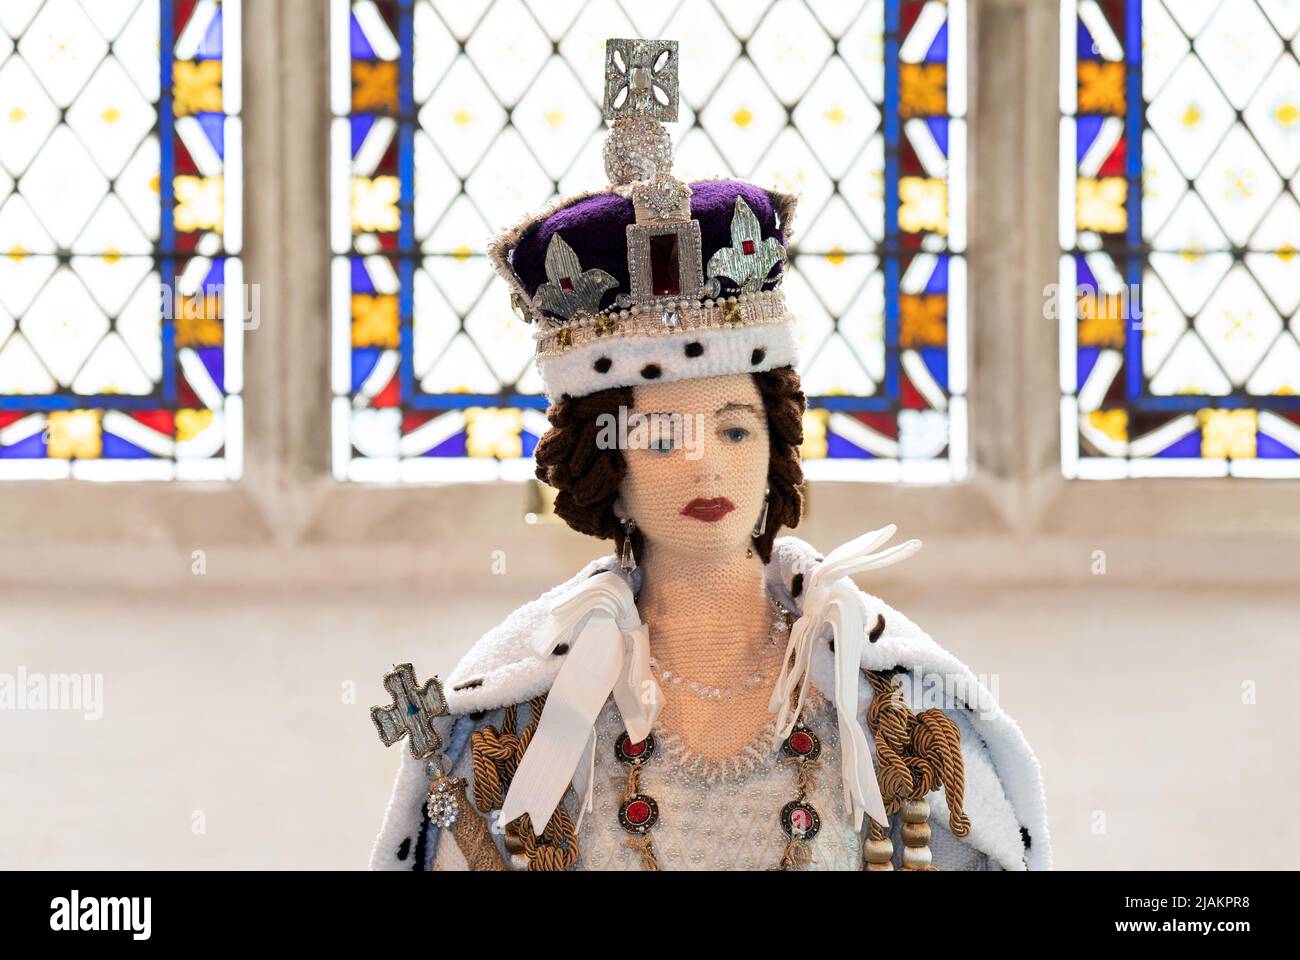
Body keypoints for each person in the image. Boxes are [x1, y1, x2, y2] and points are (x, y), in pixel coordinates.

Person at [370, 37, 1049, 872]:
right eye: (660, 437)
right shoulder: (518, 710)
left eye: (733, 428)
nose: (706, 466)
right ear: (603, 472)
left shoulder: (889, 694)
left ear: (775, 451)